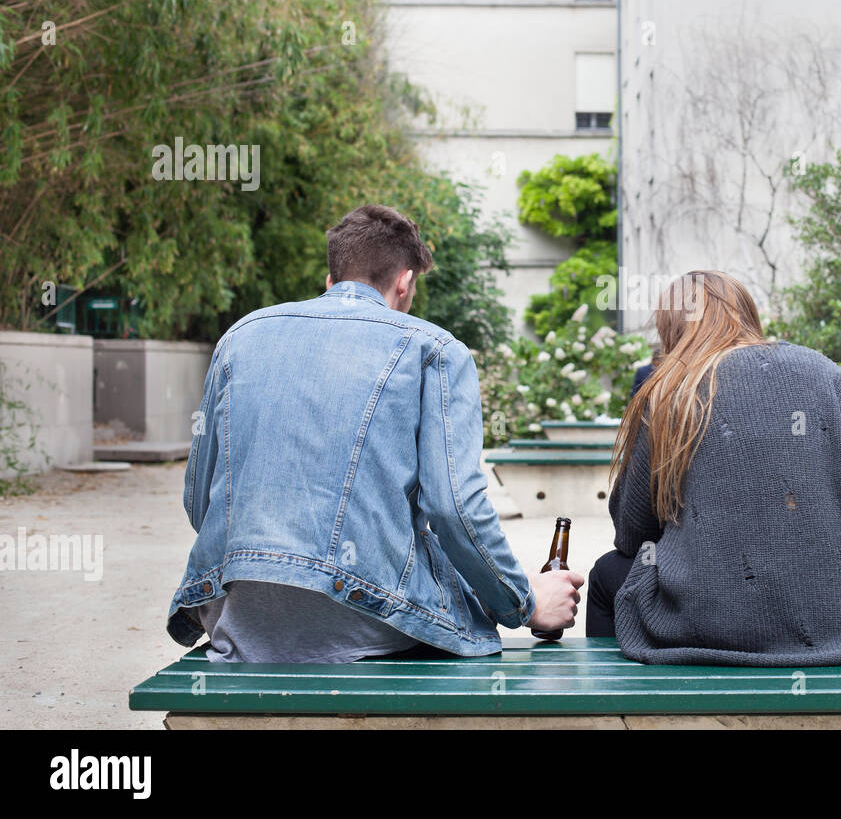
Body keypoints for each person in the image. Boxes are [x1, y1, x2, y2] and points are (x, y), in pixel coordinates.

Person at [166, 205, 583, 662]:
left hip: (243, 622)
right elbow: (454, 508)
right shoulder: (435, 350)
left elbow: (199, 502)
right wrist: (526, 602)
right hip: (368, 626)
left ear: (331, 281)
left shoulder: (239, 338)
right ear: (404, 282)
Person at [586, 270, 841, 665]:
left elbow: (632, 533)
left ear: (672, 329)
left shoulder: (669, 393)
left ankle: (613, 708)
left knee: (607, 573)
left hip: (709, 623)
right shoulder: (824, 373)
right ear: (746, 314)